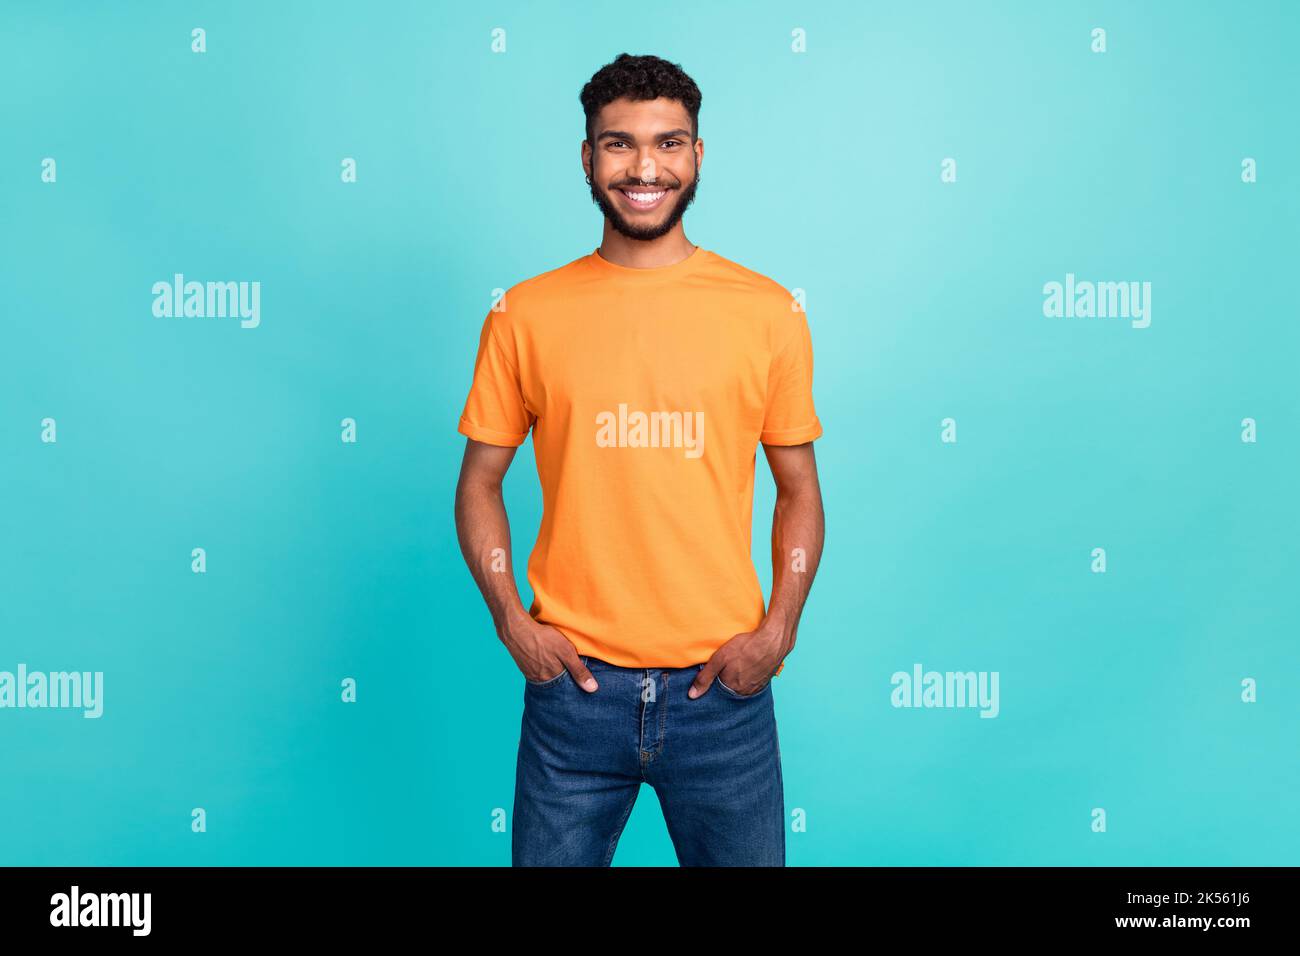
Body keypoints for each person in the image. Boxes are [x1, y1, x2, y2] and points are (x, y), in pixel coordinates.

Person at [453, 52, 825, 866]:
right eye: (619, 144)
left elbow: (798, 489)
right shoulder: (524, 314)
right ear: (587, 158)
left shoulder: (768, 313)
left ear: (697, 155)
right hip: (572, 694)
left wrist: (779, 631)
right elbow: (479, 482)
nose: (644, 167)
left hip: (723, 693)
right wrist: (511, 619)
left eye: (669, 142)